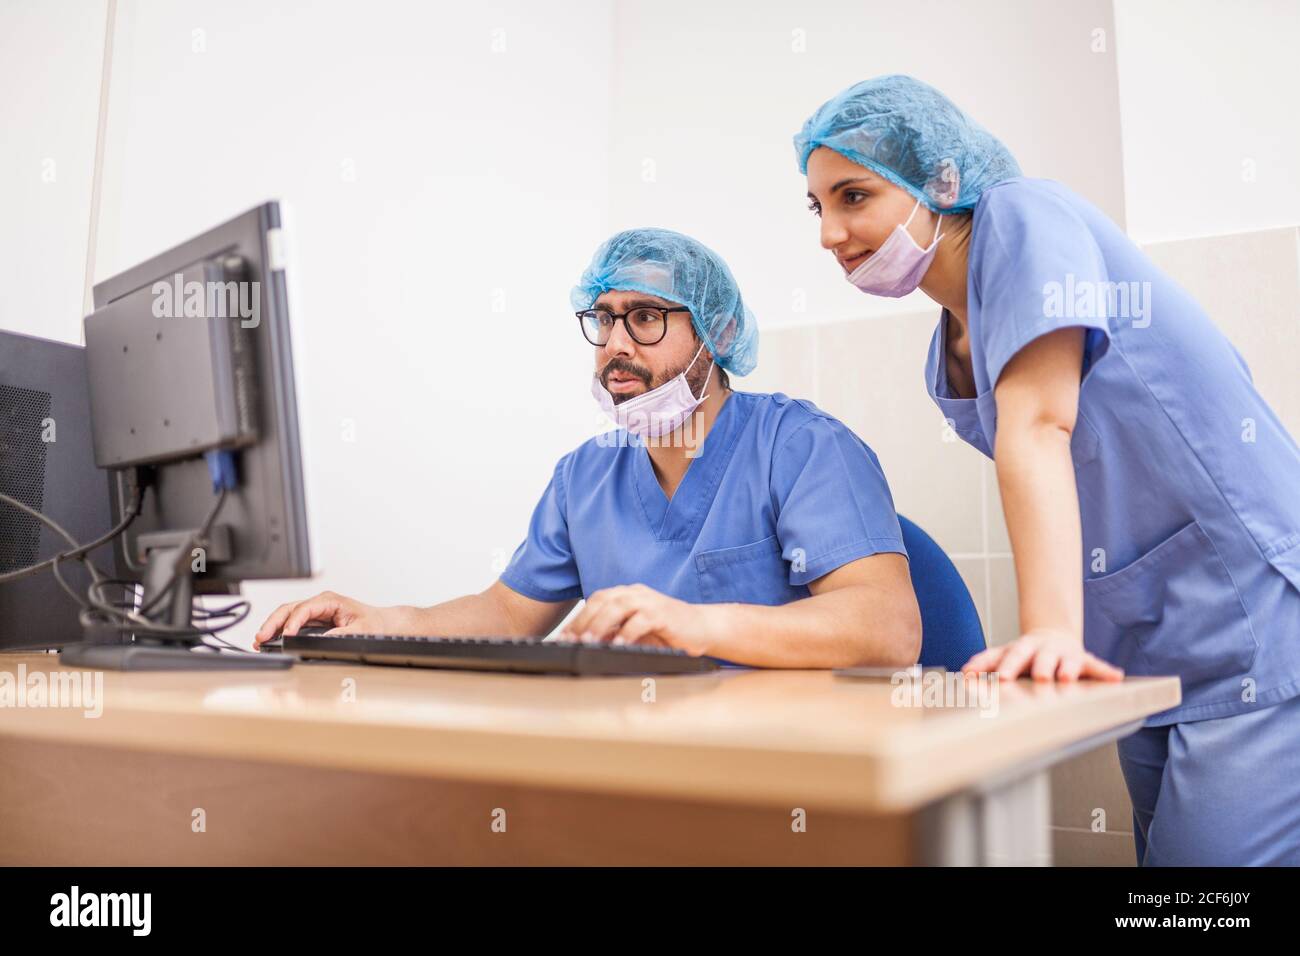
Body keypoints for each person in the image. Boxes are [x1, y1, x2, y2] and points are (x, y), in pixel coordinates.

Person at [795, 74, 1300, 864]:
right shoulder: (957, 334)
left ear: (944, 180)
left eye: (853, 197)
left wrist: (1050, 632)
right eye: (817, 206)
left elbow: (1039, 426)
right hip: (1145, 641)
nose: (830, 232)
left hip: (1249, 619)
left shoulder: (1025, 217)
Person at [256, 227, 921, 668]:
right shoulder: (586, 476)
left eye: (646, 317)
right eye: (604, 319)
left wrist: (695, 624)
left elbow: (888, 628)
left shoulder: (799, 447)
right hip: (639, 755)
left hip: (786, 769)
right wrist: (380, 621)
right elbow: (508, 613)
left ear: (714, 332)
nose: (616, 345)